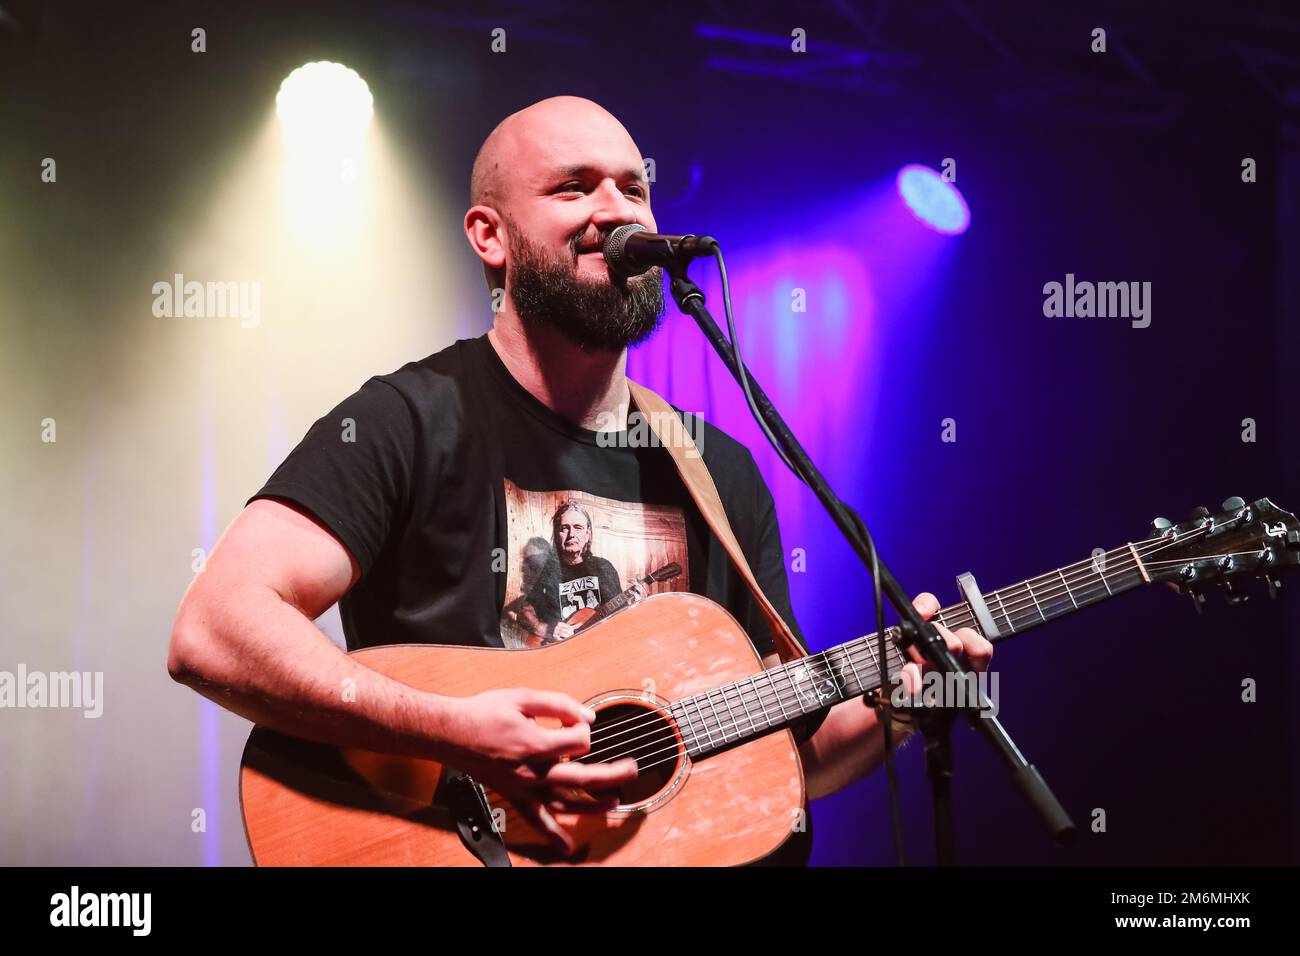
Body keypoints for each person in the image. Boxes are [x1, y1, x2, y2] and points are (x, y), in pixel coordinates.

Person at [166, 94, 993, 864]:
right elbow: (216, 630)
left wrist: (901, 709)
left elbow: (787, 758)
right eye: (573, 187)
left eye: (634, 187)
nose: (617, 210)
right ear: (490, 237)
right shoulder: (407, 421)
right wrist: (453, 730)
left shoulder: (717, 470)